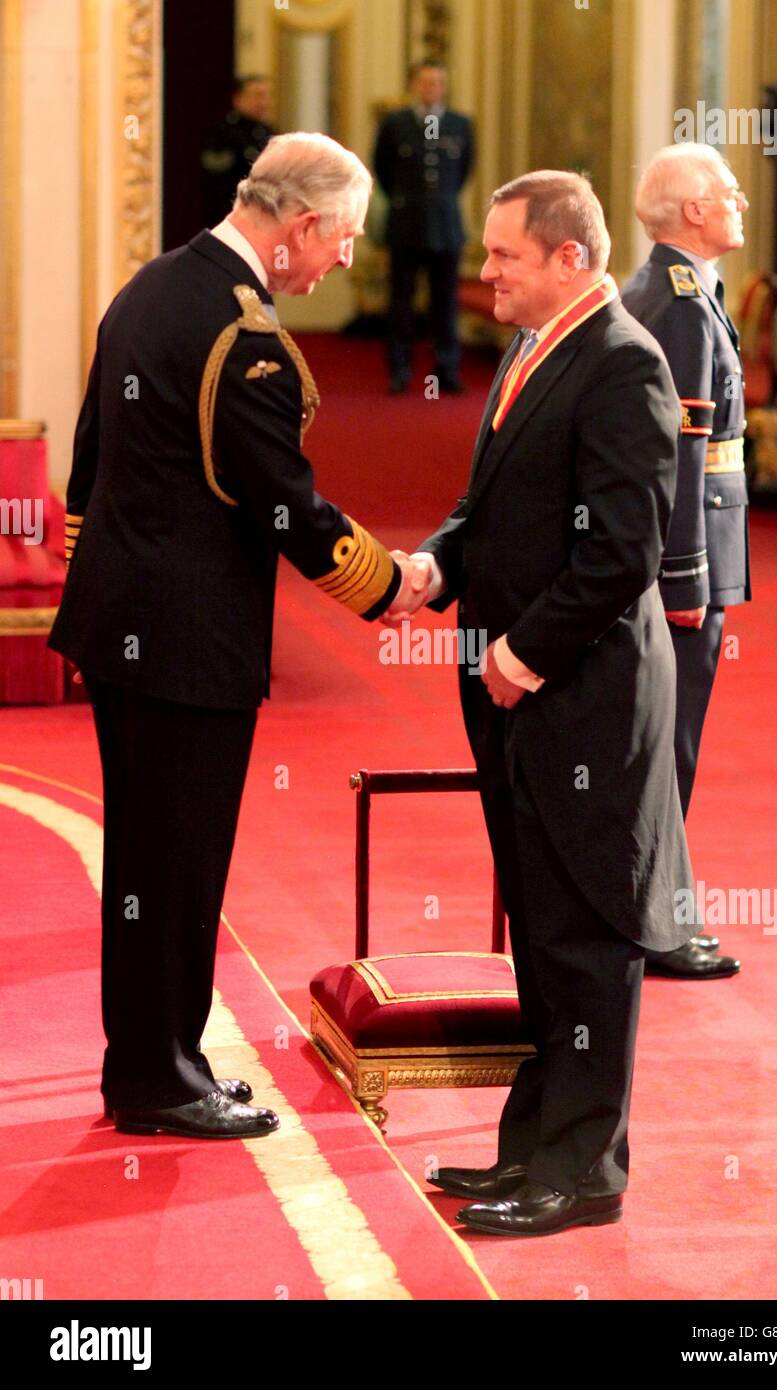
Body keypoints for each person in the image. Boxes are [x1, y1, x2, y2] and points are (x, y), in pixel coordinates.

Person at [48, 132, 430, 1141]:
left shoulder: (152, 284)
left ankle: (145, 1059)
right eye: (341, 238)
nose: (343, 259)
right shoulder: (243, 333)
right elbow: (283, 506)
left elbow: (90, 465)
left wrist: (104, 587)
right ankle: (159, 1076)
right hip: (186, 645)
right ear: (301, 224)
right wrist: (390, 582)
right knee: (174, 867)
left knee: (143, 861)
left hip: (123, 623)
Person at [383, 171, 694, 1237]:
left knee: (584, 936)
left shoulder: (622, 364)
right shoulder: (532, 349)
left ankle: (584, 1170)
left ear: (570, 258)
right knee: (541, 932)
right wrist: (433, 565)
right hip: (523, 698)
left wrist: (522, 650)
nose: (484, 274)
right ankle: (532, 1147)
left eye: (503, 256)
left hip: (584, 704)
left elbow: (621, 554)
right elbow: (489, 506)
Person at [622, 142, 750, 981]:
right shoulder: (677, 303)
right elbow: (682, 449)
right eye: (729, 192)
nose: (741, 199)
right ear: (694, 212)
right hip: (688, 563)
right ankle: (660, 926)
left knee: (670, 744)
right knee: (671, 750)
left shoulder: (686, 291)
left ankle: (655, 911)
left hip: (698, 552)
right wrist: (686, 578)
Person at [373, 60, 475, 394]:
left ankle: (447, 368)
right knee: (400, 300)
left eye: (437, 82)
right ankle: (399, 370)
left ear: (444, 87)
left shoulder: (461, 124)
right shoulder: (395, 123)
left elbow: (463, 171)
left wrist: (438, 202)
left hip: (446, 224)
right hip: (406, 222)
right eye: (425, 82)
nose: (431, 88)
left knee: (444, 301)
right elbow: (383, 169)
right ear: (414, 85)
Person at [202, 75, 276, 226]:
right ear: (238, 99)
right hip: (229, 212)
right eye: (257, 95)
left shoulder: (269, 133)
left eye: (267, 96)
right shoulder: (224, 133)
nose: (263, 103)